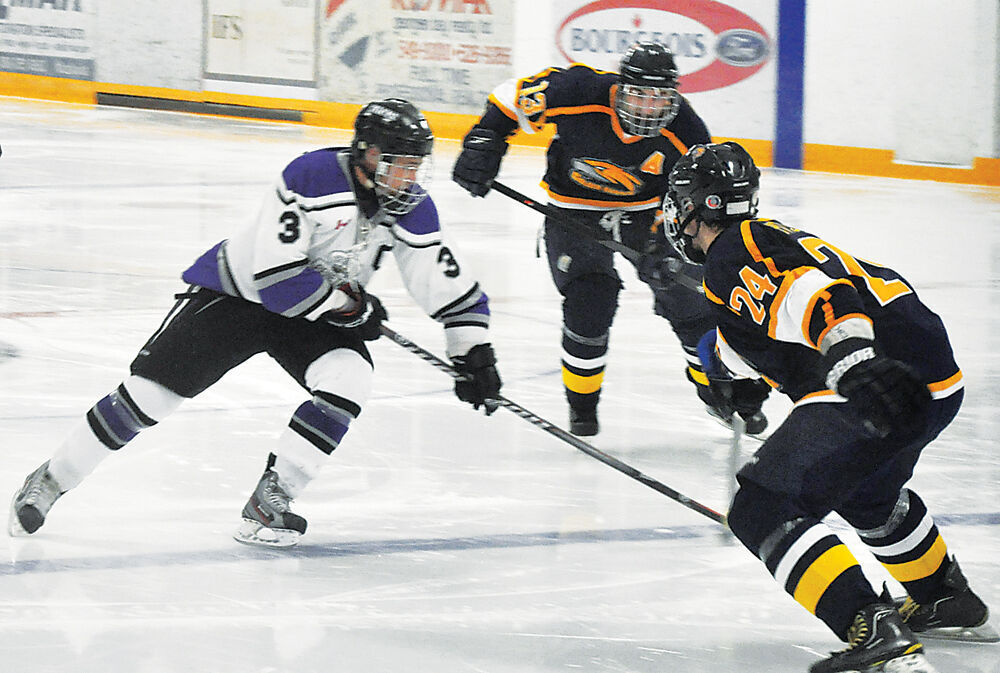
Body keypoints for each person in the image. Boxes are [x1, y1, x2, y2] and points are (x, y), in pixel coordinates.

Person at [8, 98, 502, 548]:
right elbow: (277, 276)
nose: (407, 177)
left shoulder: (410, 204)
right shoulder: (311, 176)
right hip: (238, 295)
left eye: (415, 166)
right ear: (366, 154)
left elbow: (443, 280)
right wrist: (350, 308)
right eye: (397, 164)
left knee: (350, 377)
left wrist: (472, 351)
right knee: (149, 398)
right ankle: (52, 478)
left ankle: (273, 498)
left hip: (318, 306)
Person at [660, 141, 997, 672]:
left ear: (699, 206)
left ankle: (870, 624)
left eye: (679, 202)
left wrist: (853, 359)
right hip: (930, 379)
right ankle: (944, 598)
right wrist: (725, 375)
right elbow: (755, 332)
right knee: (869, 494)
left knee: (759, 508)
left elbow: (820, 297)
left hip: (868, 384)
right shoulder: (764, 240)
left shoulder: (731, 254)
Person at [452, 41, 765, 437]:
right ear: (620, 87)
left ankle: (716, 393)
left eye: (659, 98)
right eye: (639, 95)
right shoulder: (578, 91)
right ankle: (582, 408)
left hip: (650, 211)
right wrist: (486, 138)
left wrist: (660, 242)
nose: (649, 108)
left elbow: (690, 197)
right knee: (590, 301)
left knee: (688, 302)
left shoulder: (687, 131)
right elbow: (508, 98)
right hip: (571, 209)